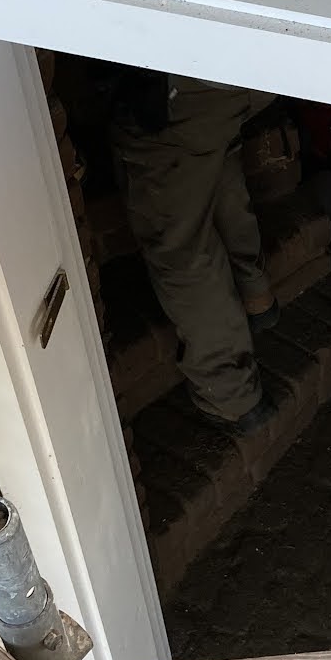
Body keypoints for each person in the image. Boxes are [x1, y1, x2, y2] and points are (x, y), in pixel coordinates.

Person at [109, 72, 279, 435]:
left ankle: (231, 394)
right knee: (208, 154)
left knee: (177, 241)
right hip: (235, 73)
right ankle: (257, 297)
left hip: (183, 81)